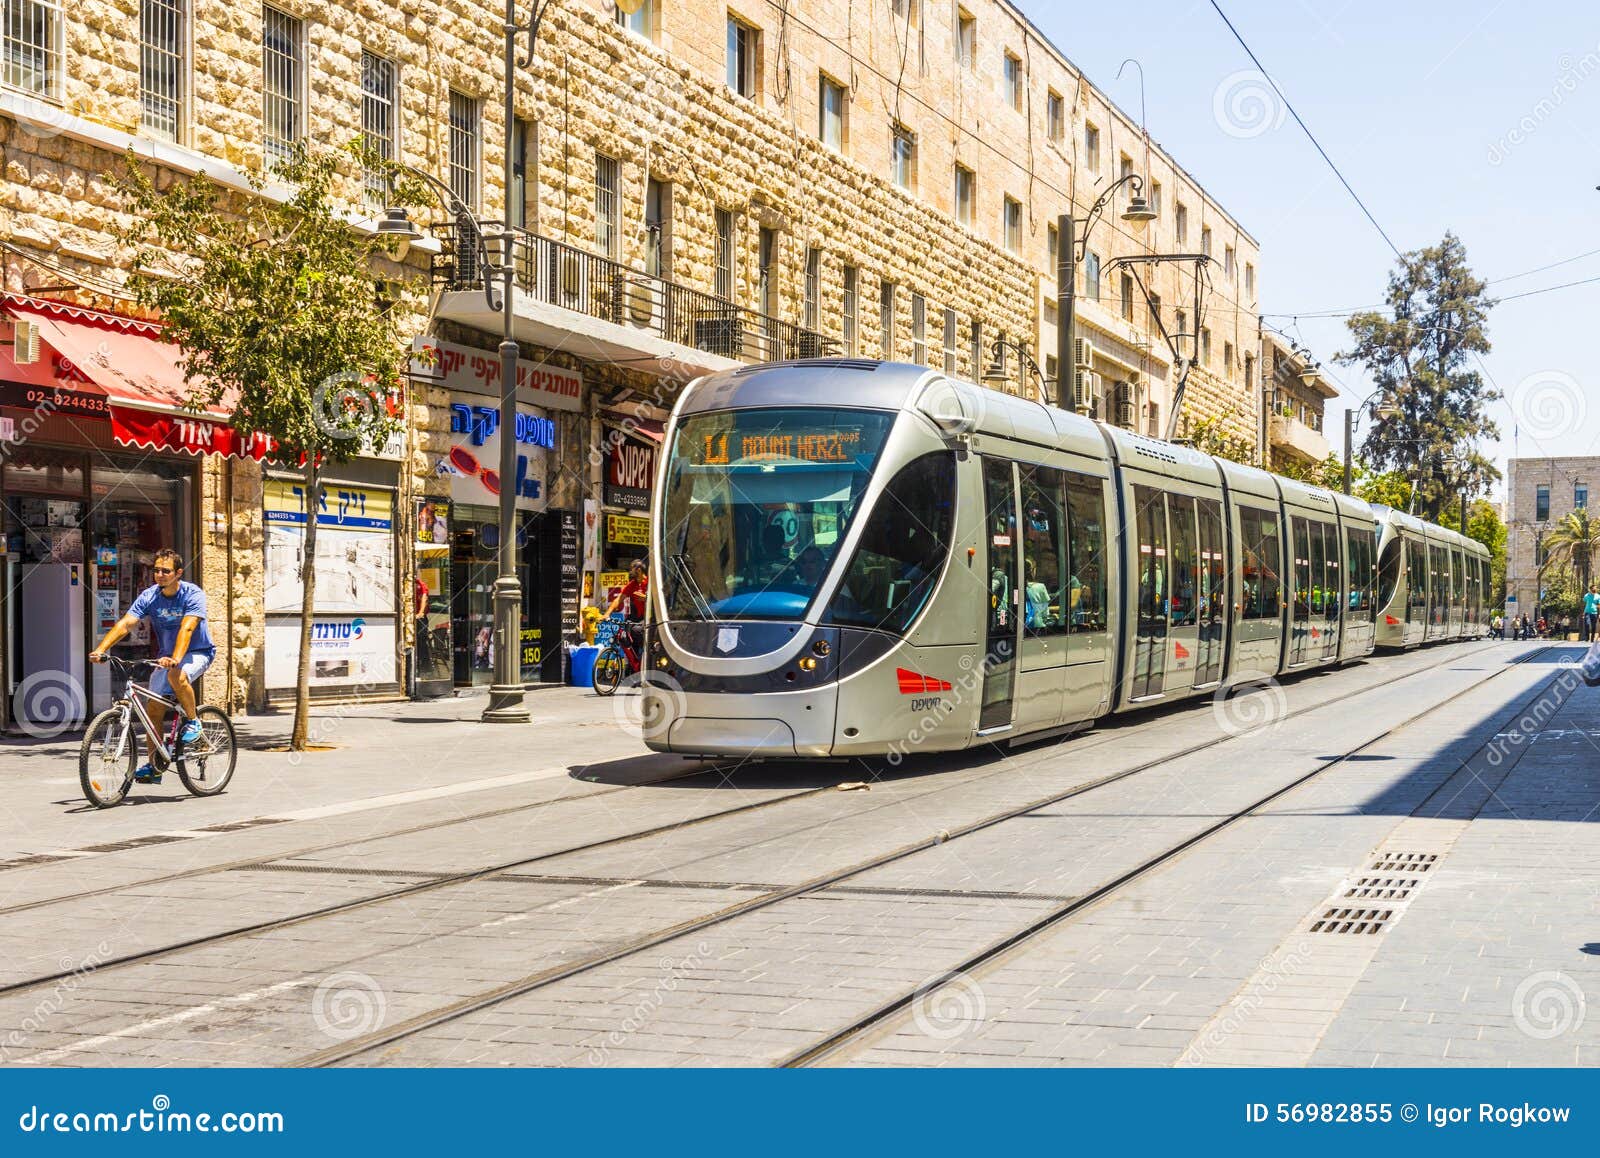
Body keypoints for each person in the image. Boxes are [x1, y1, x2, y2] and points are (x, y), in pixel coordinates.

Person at [89, 549, 215, 785]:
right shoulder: (149, 596)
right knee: (153, 710)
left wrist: (175, 658)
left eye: (165, 571)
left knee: (177, 675)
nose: (159, 575)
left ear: (178, 573)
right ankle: (155, 766)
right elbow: (126, 623)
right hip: (167, 657)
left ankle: (194, 722)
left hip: (198, 652)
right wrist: (101, 649)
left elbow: (187, 628)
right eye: (156, 570)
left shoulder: (193, 594)